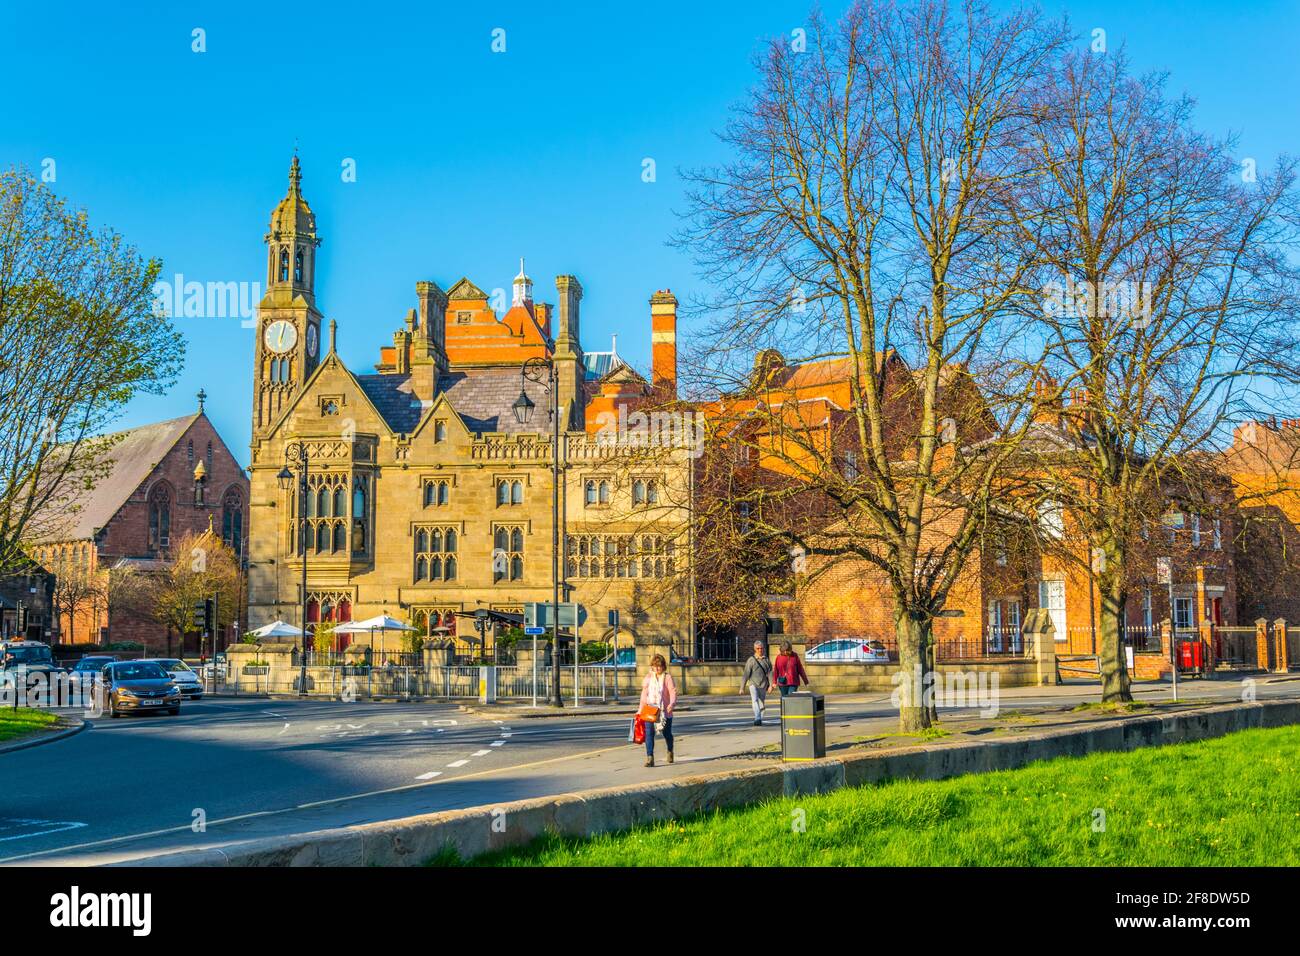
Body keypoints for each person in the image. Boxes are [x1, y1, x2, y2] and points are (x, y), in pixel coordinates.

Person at [639, 653, 677, 767]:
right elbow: (644, 693)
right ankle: (650, 757)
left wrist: (671, 704)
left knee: (667, 733)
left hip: (664, 711)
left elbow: (672, 691)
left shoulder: (667, 677)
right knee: (649, 734)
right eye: (655, 666)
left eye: (659, 666)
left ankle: (670, 750)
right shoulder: (649, 677)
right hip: (650, 708)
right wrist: (640, 709)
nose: (657, 668)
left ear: (663, 666)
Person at [740, 640, 773, 725]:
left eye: (761, 648)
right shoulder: (751, 660)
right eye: (758, 648)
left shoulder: (766, 660)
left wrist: (771, 685)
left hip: (763, 685)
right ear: (755, 649)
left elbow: (770, 673)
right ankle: (757, 718)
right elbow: (746, 674)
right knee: (754, 700)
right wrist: (742, 688)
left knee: (761, 703)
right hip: (753, 684)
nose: (760, 650)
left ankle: (760, 718)